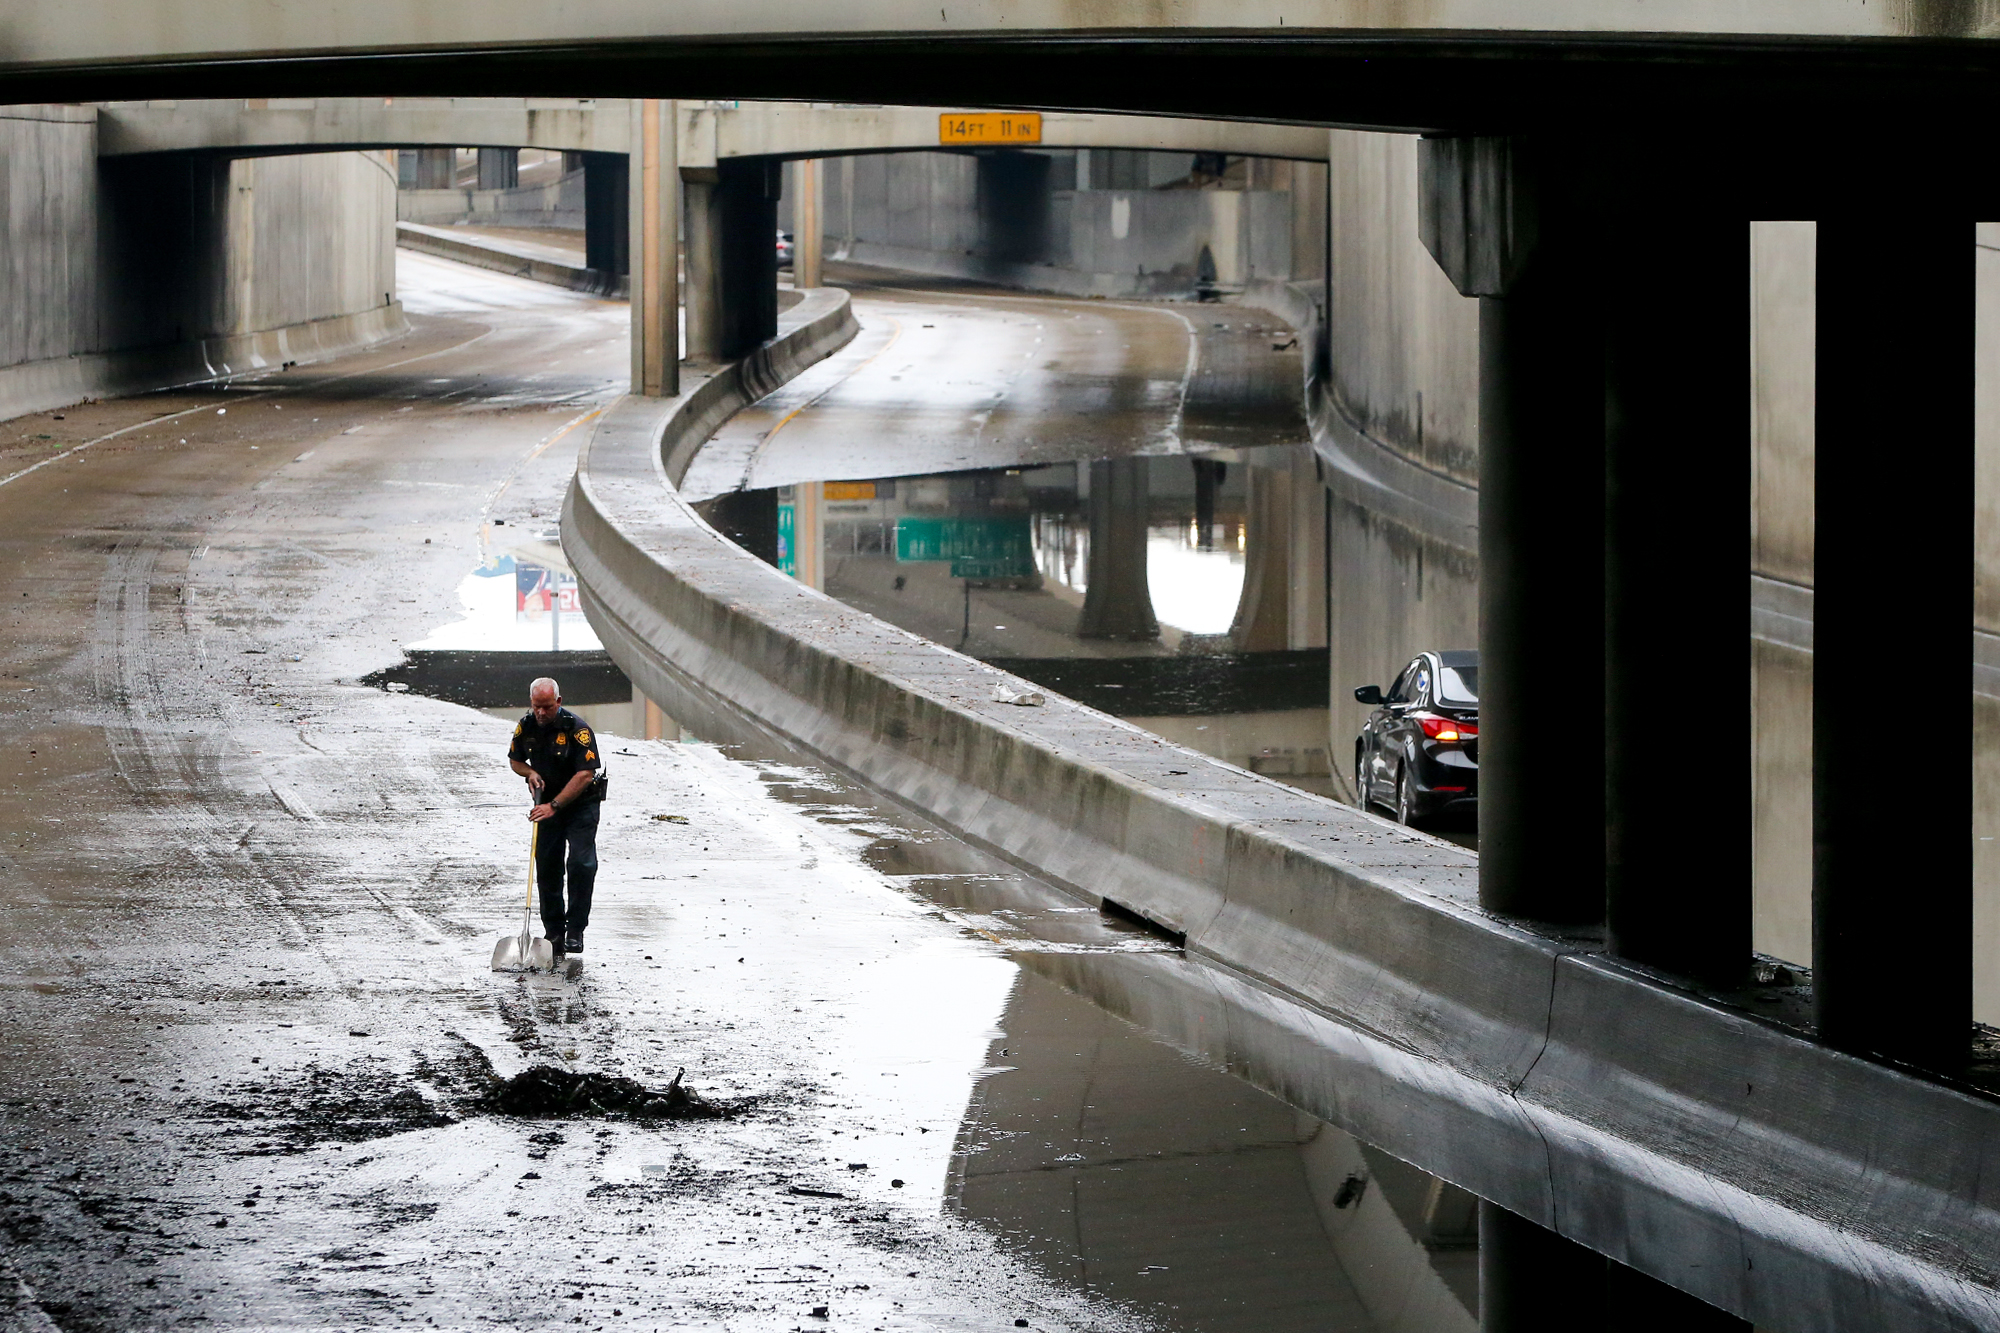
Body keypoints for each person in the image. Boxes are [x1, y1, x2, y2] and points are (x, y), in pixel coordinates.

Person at [507, 677, 605, 955]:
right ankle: (553, 932)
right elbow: (515, 759)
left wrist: (555, 806)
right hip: (546, 804)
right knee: (547, 868)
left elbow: (586, 774)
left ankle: (575, 929)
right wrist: (530, 773)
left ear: (558, 703)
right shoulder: (526, 726)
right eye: (537, 707)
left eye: (547, 707)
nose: (541, 713)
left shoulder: (577, 729)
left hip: (580, 806)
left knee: (581, 864)